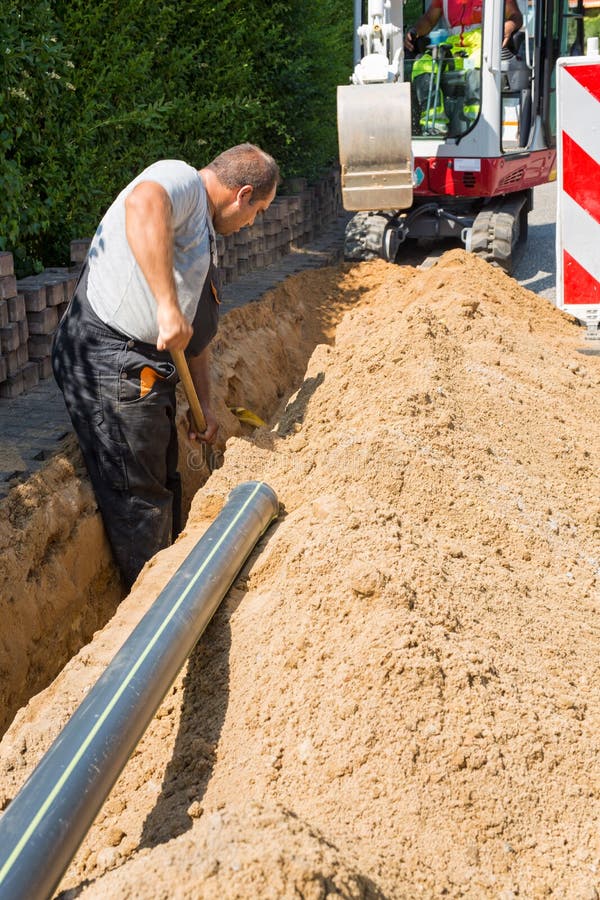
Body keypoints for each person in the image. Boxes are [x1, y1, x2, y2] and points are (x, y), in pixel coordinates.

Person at [53, 144, 279, 588]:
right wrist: (165, 306)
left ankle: (176, 577)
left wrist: (205, 407)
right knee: (140, 498)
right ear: (243, 194)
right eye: (259, 211)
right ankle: (152, 606)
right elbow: (143, 204)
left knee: (165, 480)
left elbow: (195, 335)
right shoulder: (181, 180)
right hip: (108, 360)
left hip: (144, 366)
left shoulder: (205, 235)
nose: (254, 223)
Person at [404, 0, 523, 52]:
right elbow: (429, 20)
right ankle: (431, 105)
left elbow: (515, 16)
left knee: (477, 72)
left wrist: (509, 26)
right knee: (422, 68)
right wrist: (414, 31)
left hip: (482, 48)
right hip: (453, 48)